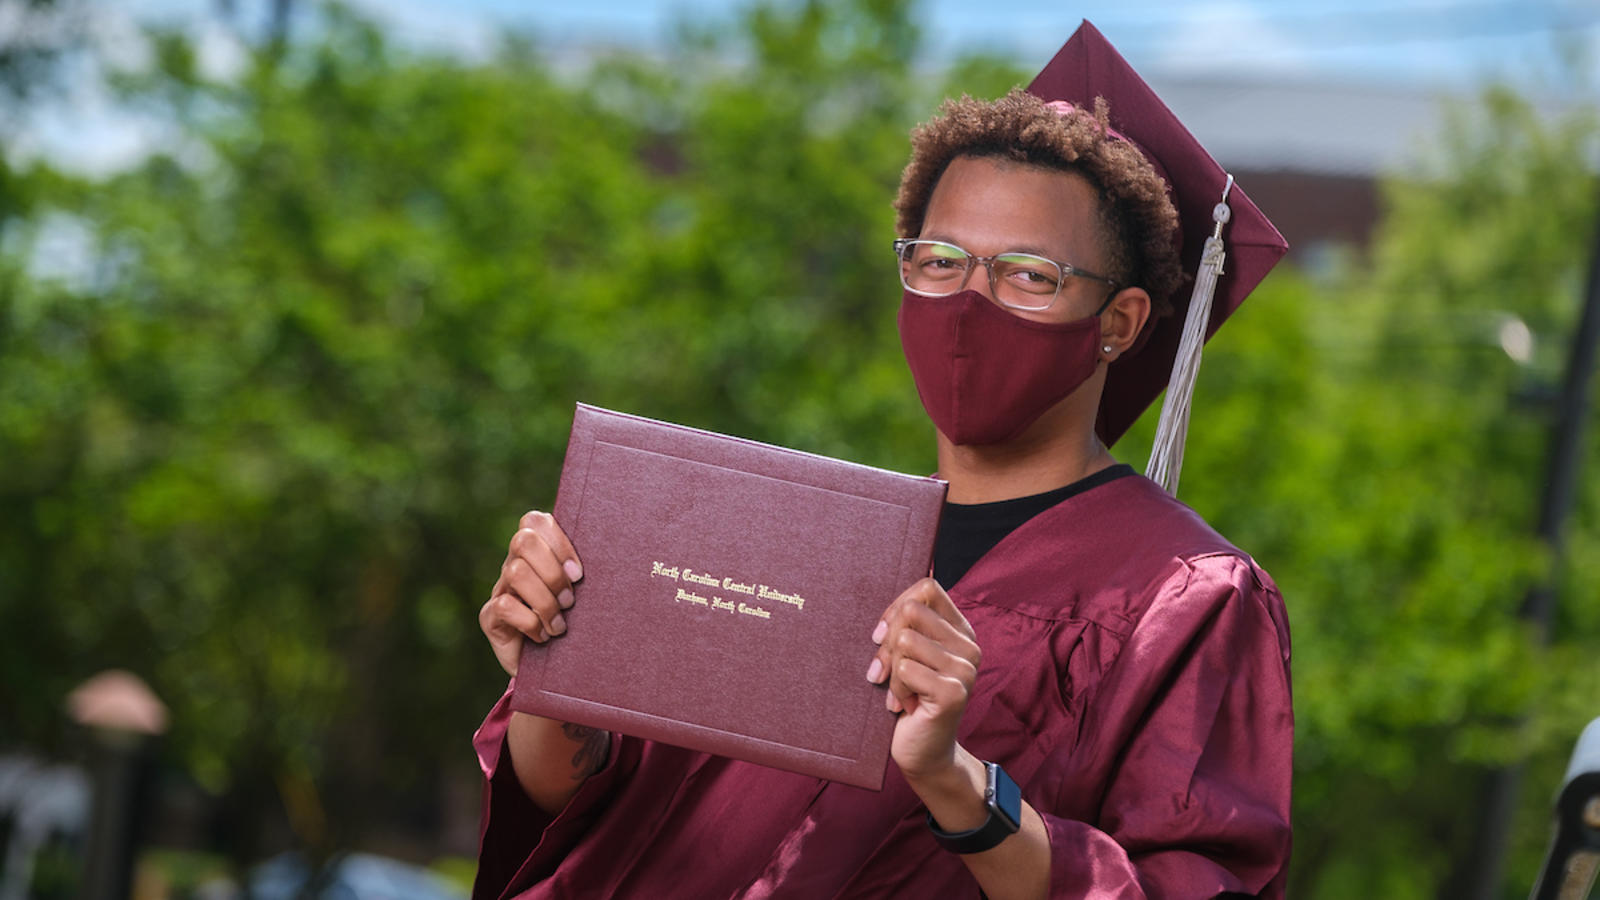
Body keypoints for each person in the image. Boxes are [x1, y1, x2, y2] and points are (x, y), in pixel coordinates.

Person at [472, 22, 1292, 900]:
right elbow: (588, 805)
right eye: (939, 261)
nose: (969, 301)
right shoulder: (798, 532)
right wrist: (556, 678)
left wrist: (959, 784)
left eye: (1027, 274)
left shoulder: (1186, 598)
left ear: (1120, 323)